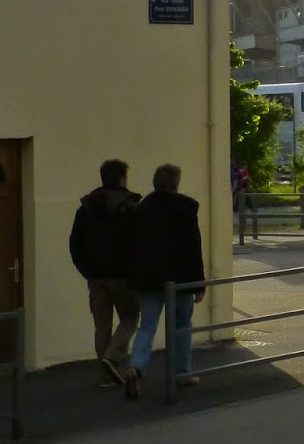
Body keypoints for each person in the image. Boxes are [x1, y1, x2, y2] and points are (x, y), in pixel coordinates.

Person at [123, 164, 205, 399]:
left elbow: (134, 247)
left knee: (147, 325)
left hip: (149, 279)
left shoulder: (142, 208)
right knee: (181, 325)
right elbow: (193, 247)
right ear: (176, 183)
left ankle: (136, 367)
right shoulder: (186, 207)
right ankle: (183, 372)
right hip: (179, 278)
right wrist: (199, 283)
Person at [68, 159, 141, 388]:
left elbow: (75, 244)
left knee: (101, 325)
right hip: (122, 275)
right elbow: (140, 243)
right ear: (122, 178)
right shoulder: (130, 208)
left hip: (95, 275)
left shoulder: (86, 208)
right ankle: (113, 357)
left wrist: (85, 269)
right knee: (130, 318)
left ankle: (106, 376)